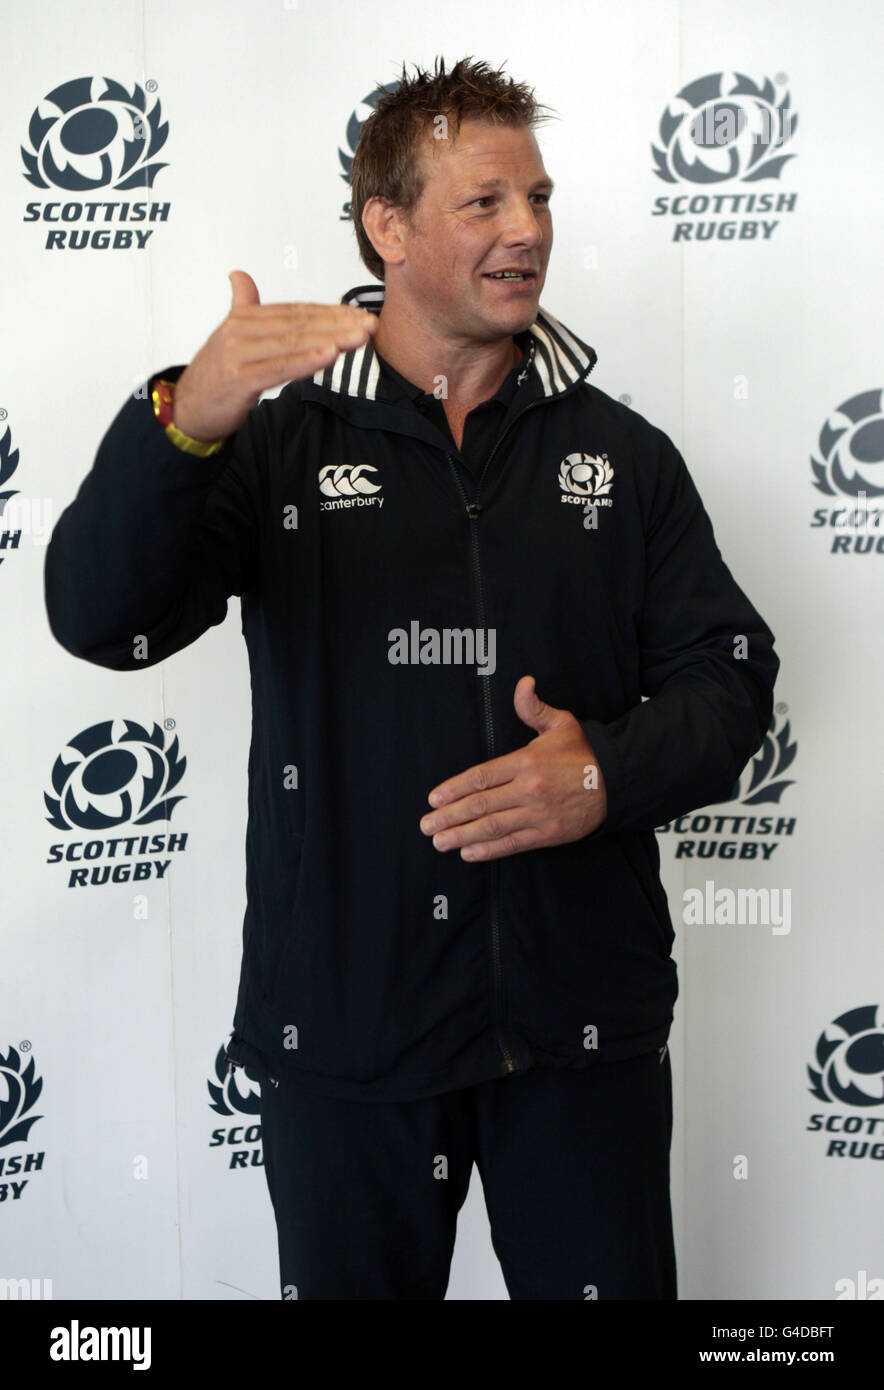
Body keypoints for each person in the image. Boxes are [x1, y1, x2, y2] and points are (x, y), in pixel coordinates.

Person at [44, 56, 779, 1300]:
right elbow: (98, 619)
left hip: (578, 1035)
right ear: (386, 223)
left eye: (538, 199)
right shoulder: (273, 438)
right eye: (485, 201)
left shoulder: (623, 454)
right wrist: (185, 416)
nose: (527, 231)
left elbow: (730, 676)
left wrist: (606, 770)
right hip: (345, 1035)